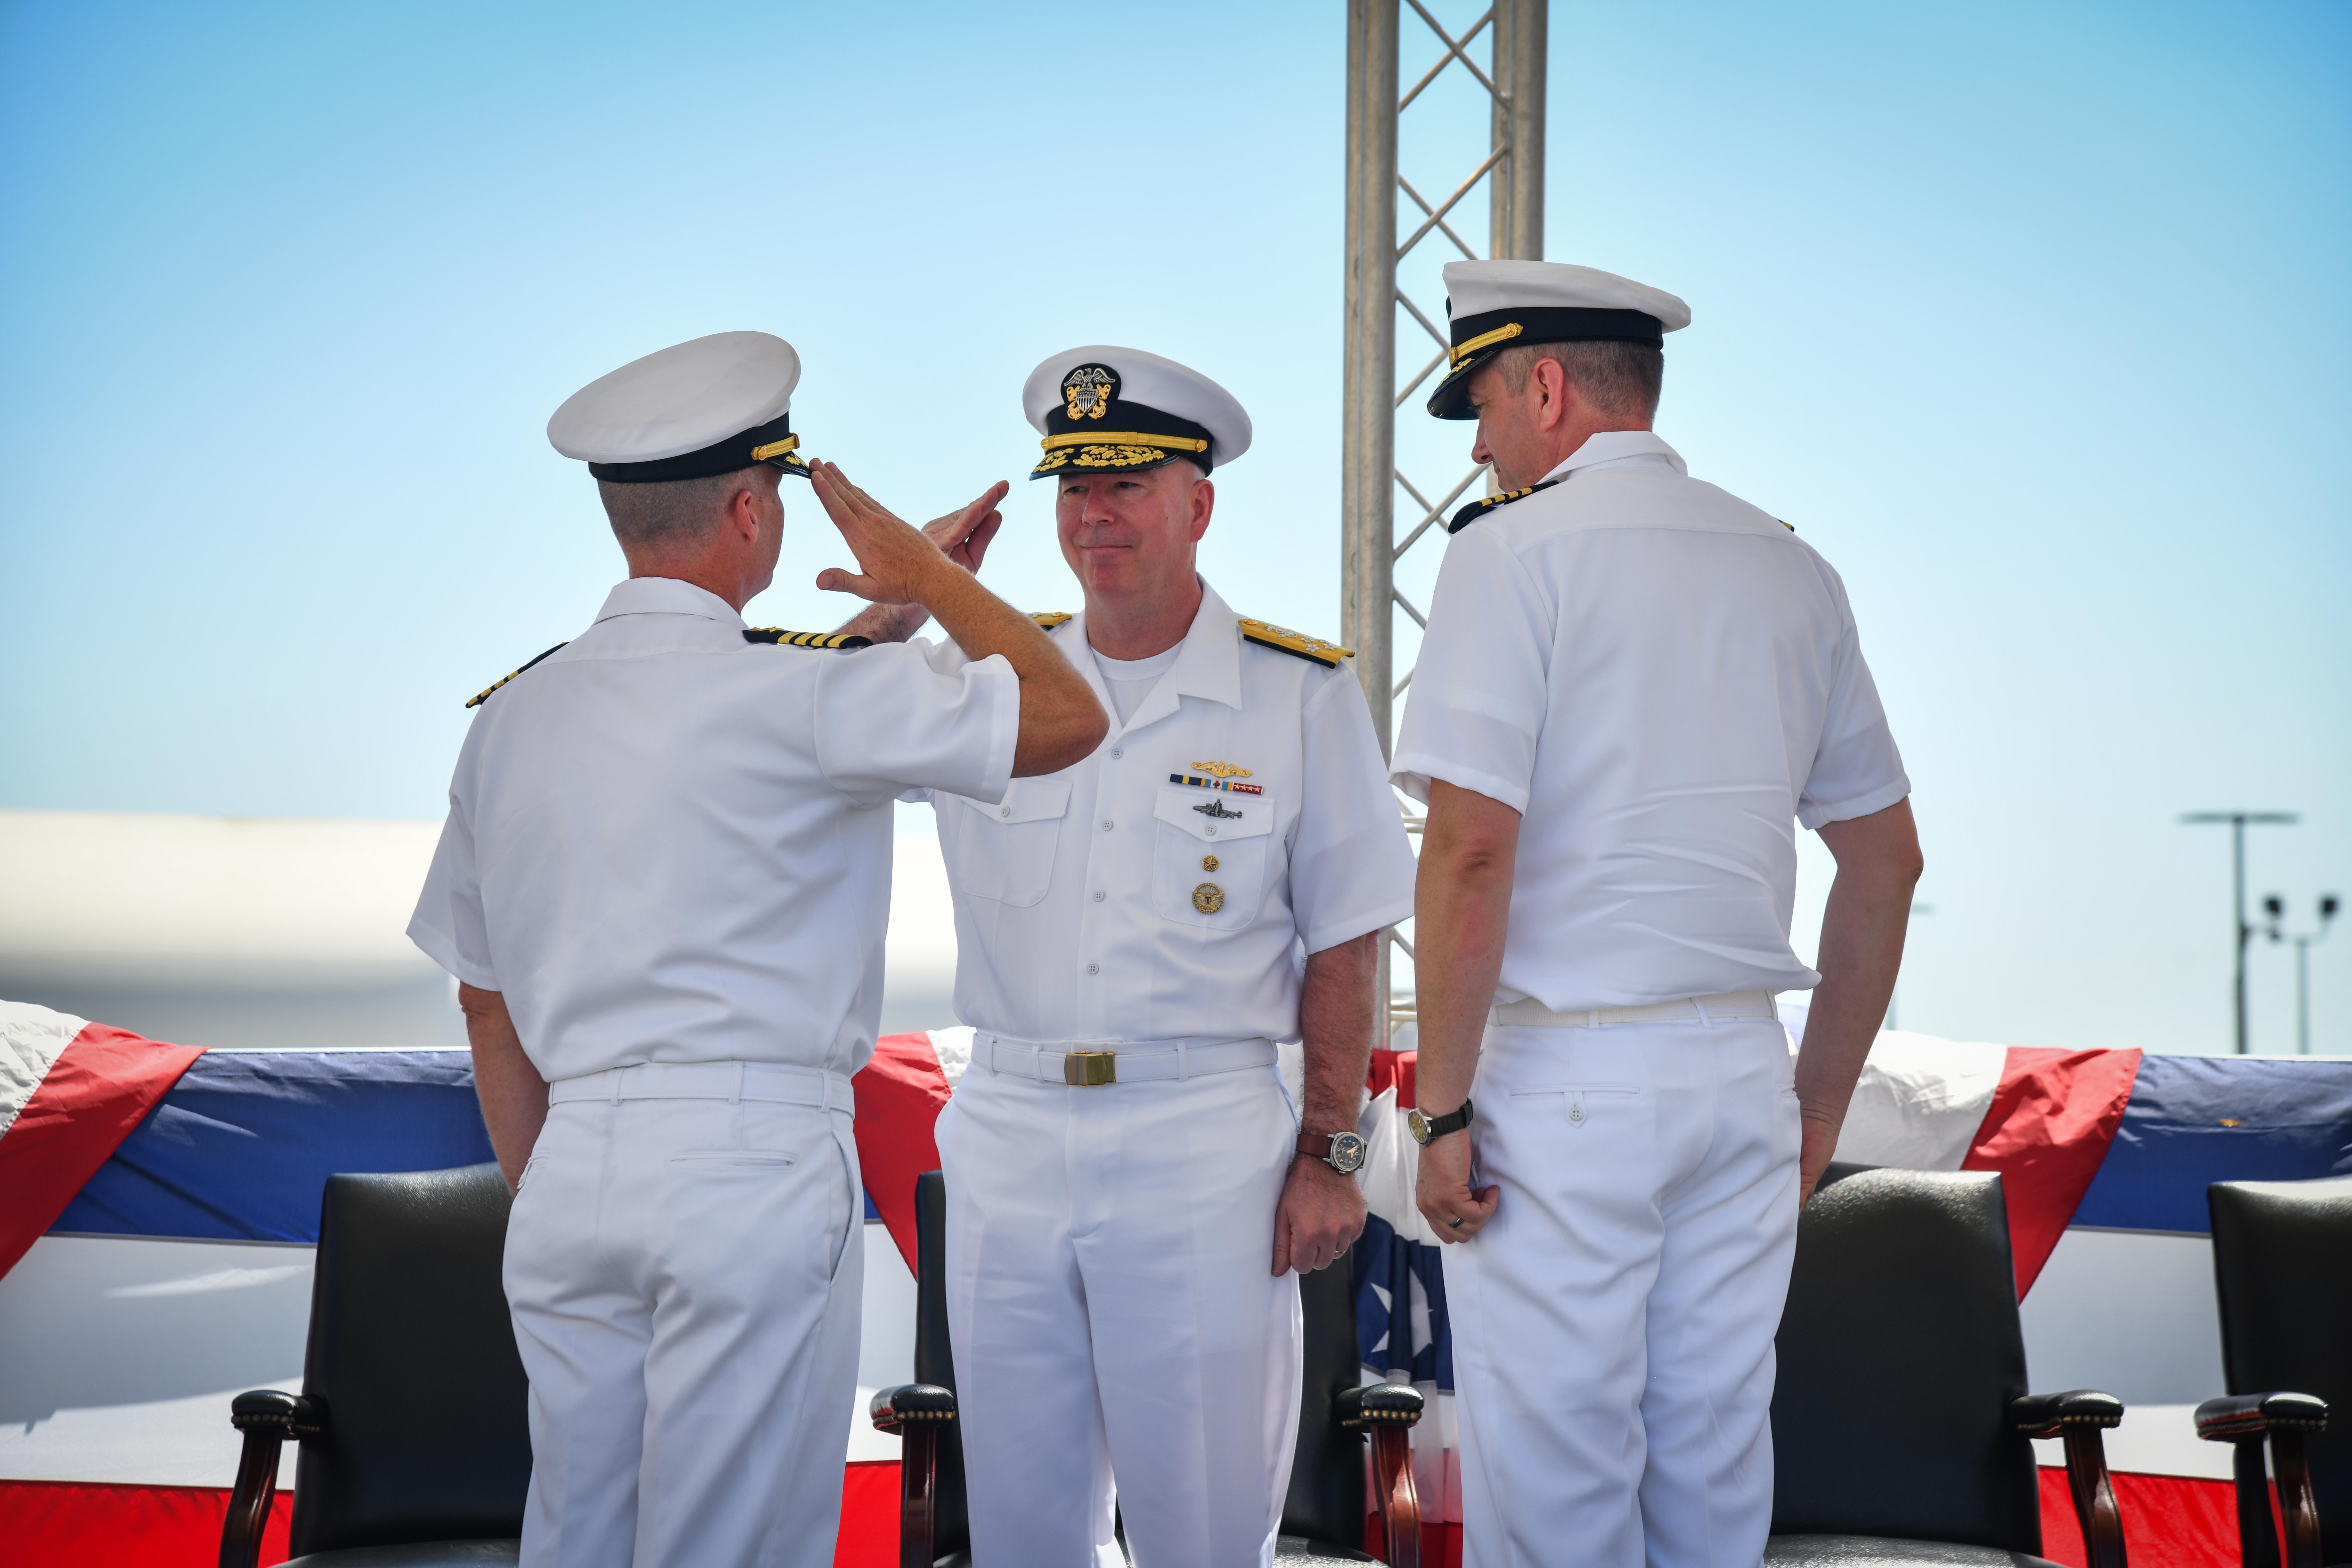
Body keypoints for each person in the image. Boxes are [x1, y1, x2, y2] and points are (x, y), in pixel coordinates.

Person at [405, 330, 1105, 1568]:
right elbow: (1067, 713)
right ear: (748, 511)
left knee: (576, 1539)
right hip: (747, 1164)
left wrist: (570, 1172)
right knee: (729, 1542)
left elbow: (485, 1001)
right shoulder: (805, 692)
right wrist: (932, 586)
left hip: (570, 1171)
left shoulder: (509, 718)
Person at [1394, 262, 1923, 1568]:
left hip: (1568, 1083)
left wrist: (1443, 1113)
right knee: (1712, 1487)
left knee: (1558, 1500)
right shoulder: (1793, 566)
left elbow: (1470, 850)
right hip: (1741, 1079)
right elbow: (1886, 863)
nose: (1480, 448)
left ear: (1547, 388)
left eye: (1483, 409)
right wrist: (1811, 1112)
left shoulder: (1508, 553)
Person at [877, 345, 1418, 1566]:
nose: (1095, 514)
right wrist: (910, 604)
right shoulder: (978, 682)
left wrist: (1330, 1156)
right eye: (1075, 487)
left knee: (1206, 1534)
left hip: (1203, 1142)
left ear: (1200, 504)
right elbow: (810, 729)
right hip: (1010, 1131)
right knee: (1020, 1535)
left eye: (1126, 483)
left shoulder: (1298, 694)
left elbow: (1348, 941)